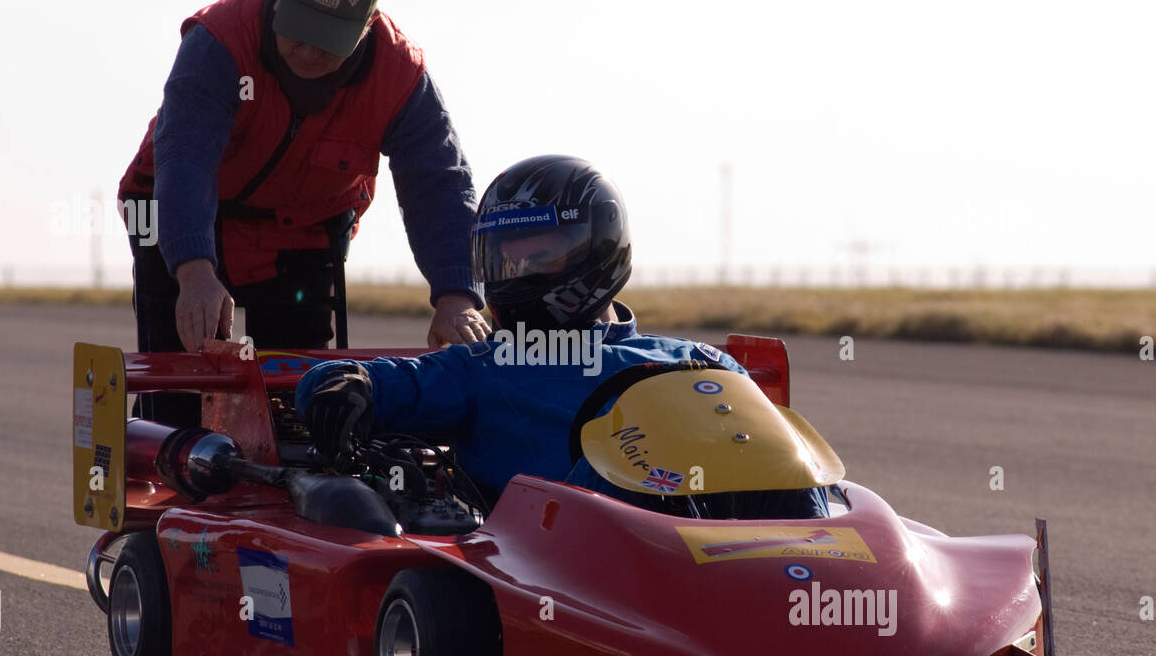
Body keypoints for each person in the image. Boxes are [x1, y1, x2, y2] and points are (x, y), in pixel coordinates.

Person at [294, 154, 829, 518]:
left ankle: (832, 584)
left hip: (734, 552)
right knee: (620, 475)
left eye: (540, 255)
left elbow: (775, 464)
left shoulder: (695, 359)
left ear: (598, 251)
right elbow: (357, 382)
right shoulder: (486, 366)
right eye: (509, 257)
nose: (519, 270)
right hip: (576, 564)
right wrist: (345, 383)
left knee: (812, 481)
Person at [118, 0, 488, 424]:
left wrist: (456, 296)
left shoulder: (400, 76)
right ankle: (170, 470)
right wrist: (193, 270)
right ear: (279, 1)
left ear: (367, 26)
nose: (309, 54)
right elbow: (185, 158)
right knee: (183, 385)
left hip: (303, 227)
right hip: (181, 215)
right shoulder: (222, 39)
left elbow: (439, 185)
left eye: (328, 41)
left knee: (299, 393)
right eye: (300, 32)